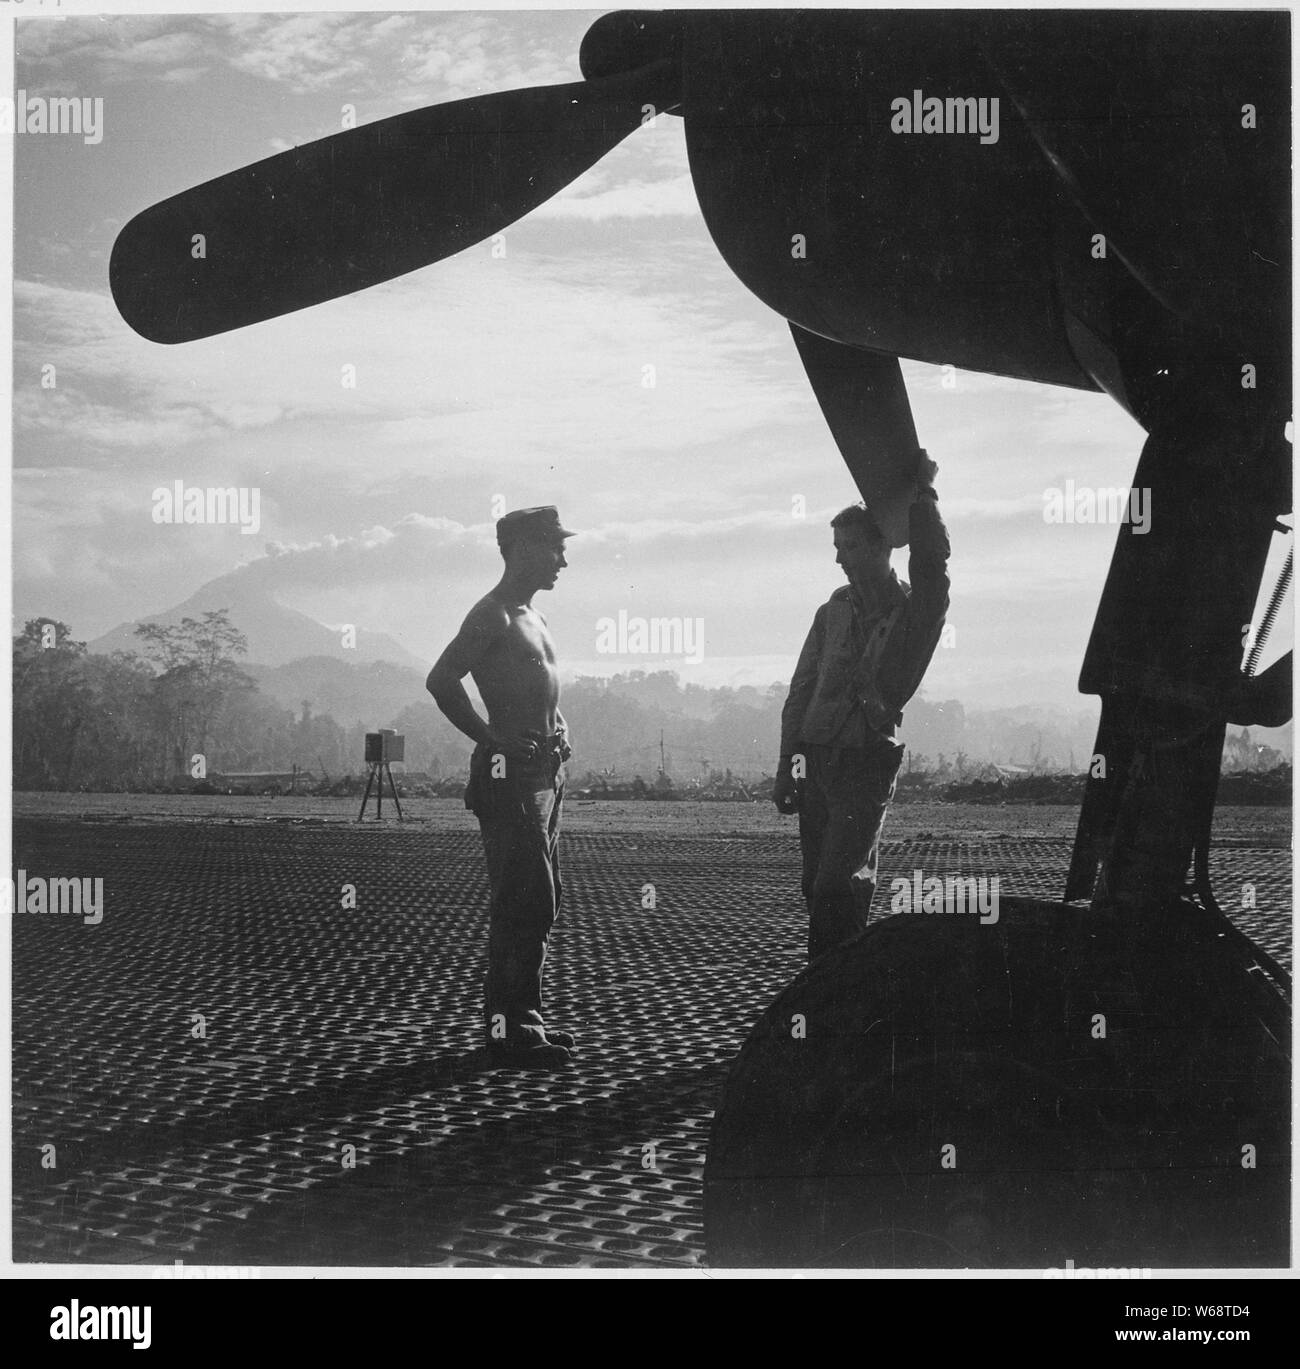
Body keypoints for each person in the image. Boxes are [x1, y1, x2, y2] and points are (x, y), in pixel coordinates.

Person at [773, 454, 950, 961]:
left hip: (865, 760)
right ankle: (834, 979)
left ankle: (830, 989)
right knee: (817, 885)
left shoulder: (916, 611)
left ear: (881, 547)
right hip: (816, 760)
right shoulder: (831, 611)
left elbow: (932, 563)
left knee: (837, 884)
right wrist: (787, 765)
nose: (839, 559)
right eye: (836, 548)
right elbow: (799, 692)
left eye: (849, 547)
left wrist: (924, 495)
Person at [427, 506, 576, 1069]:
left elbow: (542, 695)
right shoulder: (490, 615)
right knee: (524, 901)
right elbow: (441, 680)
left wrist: (560, 728)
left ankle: (524, 1022)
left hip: (545, 778)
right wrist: (491, 738)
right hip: (508, 780)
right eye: (553, 547)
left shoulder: (533, 617)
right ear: (520, 550)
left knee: (540, 902)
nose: (563, 559)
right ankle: (508, 1030)